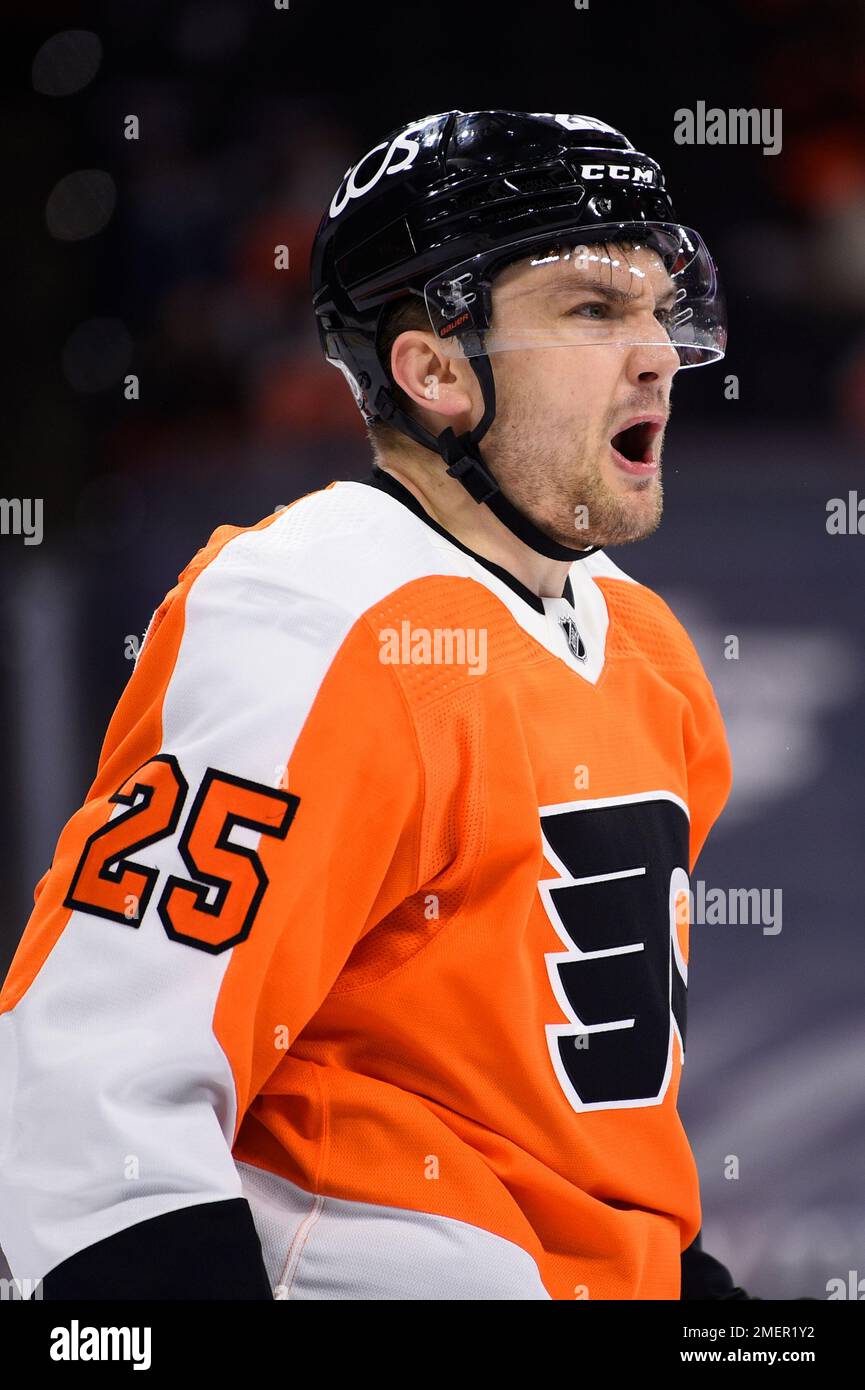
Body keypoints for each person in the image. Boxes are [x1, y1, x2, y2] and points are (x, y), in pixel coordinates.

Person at [0, 110, 751, 1300]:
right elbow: (98, 1098)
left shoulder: (647, 645)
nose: (655, 348)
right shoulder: (313, 612)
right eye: (592, 309)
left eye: (661, 306)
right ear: (436, 369)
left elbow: (574, 1118)